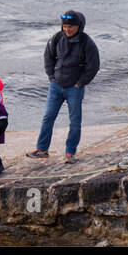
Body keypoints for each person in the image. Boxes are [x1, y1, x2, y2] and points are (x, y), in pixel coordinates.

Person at [27, 10, 100, 163]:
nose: (67, 29)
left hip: (75, 88)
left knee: (74, 121)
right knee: (48, 117)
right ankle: (42, 149)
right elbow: (48, 56)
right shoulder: (57, 38)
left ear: (79, 26)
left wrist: (80, 83)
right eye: (65, 26)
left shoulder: (87, 42)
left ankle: (70, 153)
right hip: (56, 86)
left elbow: (93, 66)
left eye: (71, 27)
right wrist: (51, 77)